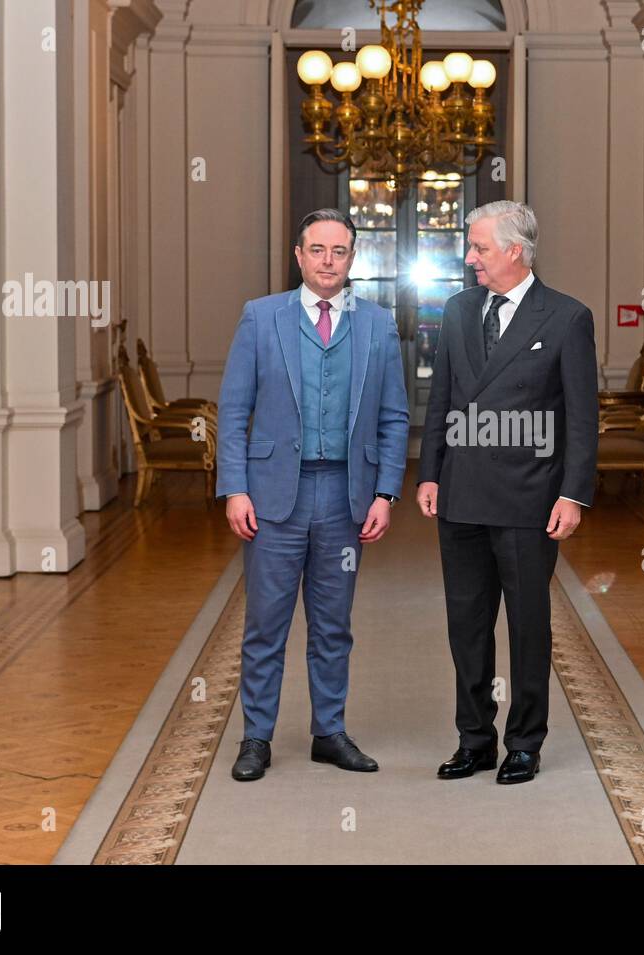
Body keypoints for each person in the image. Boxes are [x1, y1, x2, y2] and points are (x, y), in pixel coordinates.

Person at [217, 208, 409, 781]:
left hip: (344, 494)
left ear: (354, 259)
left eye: (340, 251)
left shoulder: (377, 324)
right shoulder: (261, 317)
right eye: (318, 250)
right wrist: (234, 488)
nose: (329, 261)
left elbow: (396, 416)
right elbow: (233, 411)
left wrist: (385, 493)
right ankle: (256, 738)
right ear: (298, 256)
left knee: (333, 625)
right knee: (265, 624)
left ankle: (329, 732)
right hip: (276, 495)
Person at [417, 200, 598, 784]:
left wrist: (573, 494)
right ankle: (474, 739)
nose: (470, 259)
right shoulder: (458, 309)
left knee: (527, 624)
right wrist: (428, 473)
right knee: (465, 623)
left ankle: (524, 741)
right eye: (472, 249)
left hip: (529, 499)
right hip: (462, 494)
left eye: (480, 249)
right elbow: (440, 398)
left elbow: (581, 418)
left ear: (515, 251)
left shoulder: (567, 317)